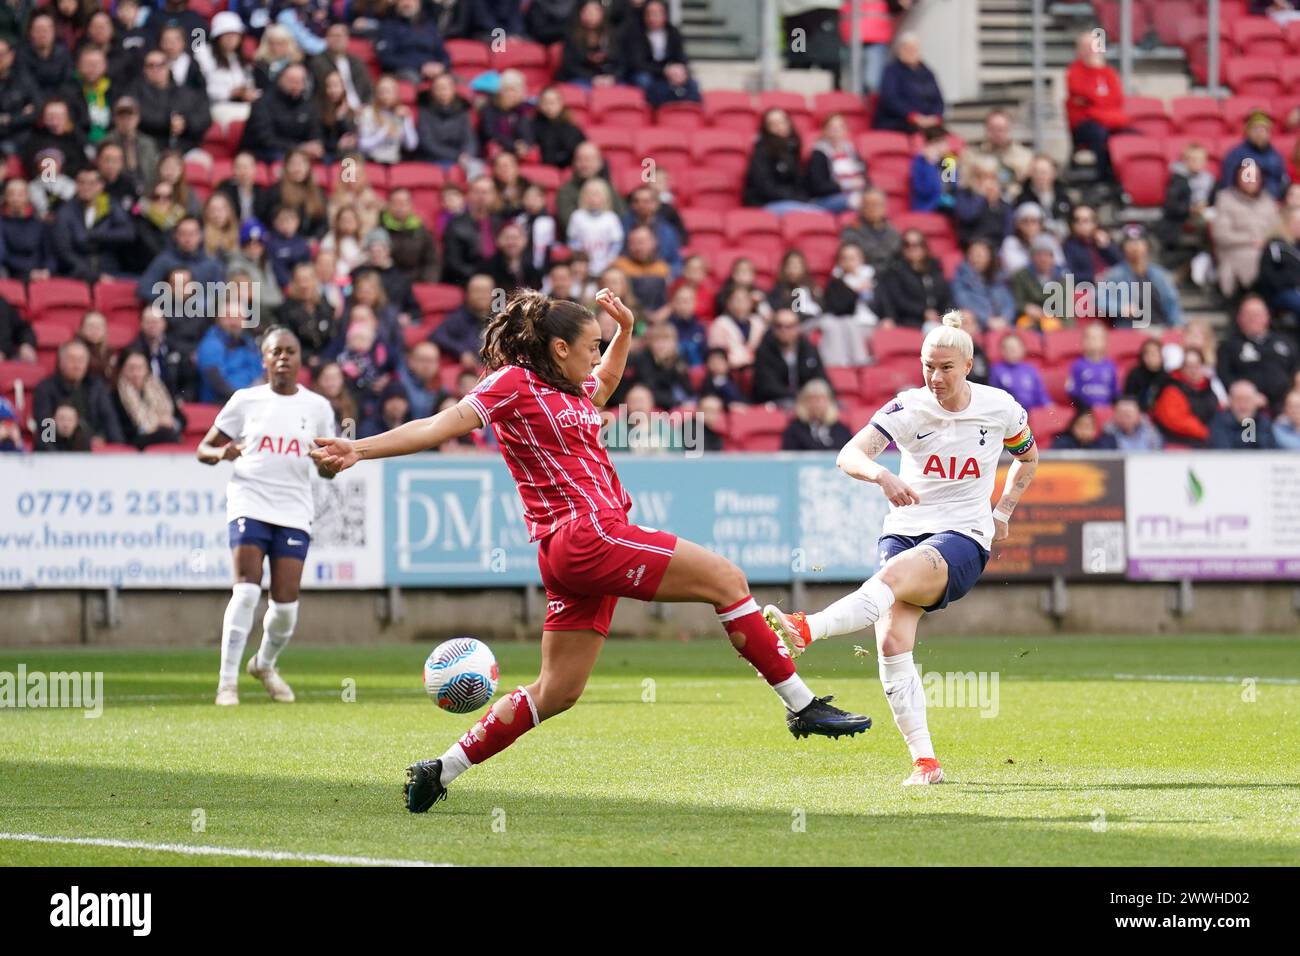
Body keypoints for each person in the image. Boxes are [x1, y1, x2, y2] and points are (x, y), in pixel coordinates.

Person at [311, 289, 872, 812]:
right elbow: (441, 423)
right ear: (559, 348)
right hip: (586, 534)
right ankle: (802, 706)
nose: (598, 355)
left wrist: (624, 330)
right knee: (727, 580)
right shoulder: (512, 384)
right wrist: (358, 448)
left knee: (557, 692)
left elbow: (605, 381)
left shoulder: (570, 392)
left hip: (571, 554)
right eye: (591, 346)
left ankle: (440, 770)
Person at [764, 310, 1039, 786]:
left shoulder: (1001, 408)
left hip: (963, 537)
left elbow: (1028, 457)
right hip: (905, 528)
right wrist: (882, 474)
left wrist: (1003, 513)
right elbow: (849, 453)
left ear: (969, 364)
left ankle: (808, 627)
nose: (935, 377)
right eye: (927, 365)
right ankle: (925, 762)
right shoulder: (907, 407)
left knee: (891, 581)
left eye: (946, 367)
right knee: (891, 642)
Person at [197, 327, 338, 706]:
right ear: (264, 358)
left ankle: (264, 663)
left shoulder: (318, 408)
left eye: (290, 351)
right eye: (276, 351)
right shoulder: (245, 400)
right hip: (249, 501)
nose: (283, 358)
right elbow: (203, 448)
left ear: (299, 359)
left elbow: (330, 468)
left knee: (286, 608)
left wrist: (324, 463)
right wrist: (220, 454)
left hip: (294, 509)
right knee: (245, 591)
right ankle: (227, 683)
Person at [33, 338, 125, 448]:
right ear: (60, 361)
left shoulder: (96, 386)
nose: (77, 365)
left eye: (81, 360)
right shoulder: (45, 388)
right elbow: (46, 431)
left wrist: (118, 448)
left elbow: (110, 420)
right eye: (71, 359)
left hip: (93, 450)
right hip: (59, 450)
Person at [1065, 31, 1130, 183]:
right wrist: (1100, 102)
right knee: (1100, 135)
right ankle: (1104, 179)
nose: (1090, 51)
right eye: (1086, 47)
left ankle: (1127, 177)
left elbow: (1116, 98)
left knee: (1134, 134)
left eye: (1093, 46)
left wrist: (1097, 103)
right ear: (1079, 50)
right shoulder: (1074, 72)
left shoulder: (1108, 72)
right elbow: (1082, 93)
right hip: (1085, 124)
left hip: (1108, 119)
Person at [1217, 295, 1298, 413]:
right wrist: (1248, 396)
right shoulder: (1229, 347)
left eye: (1257, 314)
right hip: (1248, 409)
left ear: (1267, 317)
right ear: (1239, 318)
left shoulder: (1286, 343)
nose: (1253, 318)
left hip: (1287, 406)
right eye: (1248, 315)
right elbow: (1225, 377)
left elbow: (1296, 371)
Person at [1212, 159, 1279, 299]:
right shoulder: (1225, 199)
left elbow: (1278, 231)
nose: (1250, 180)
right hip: (1235, 250)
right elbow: (1221, 234)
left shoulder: (1268, 200)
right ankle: (1248, 297)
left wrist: (1265, 241)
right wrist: (1251, 240)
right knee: (1253, 257)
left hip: (1267, 248)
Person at [622, 0, 699, 107]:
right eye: (649, 14)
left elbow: (681, 56)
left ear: (665, 15)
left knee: (693, 83)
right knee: (644, 80)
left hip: (670, 71)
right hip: (647, 72)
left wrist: (680, 70)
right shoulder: (636, 33)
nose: (653, 18)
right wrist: (664, 71)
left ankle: (688, 113)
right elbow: (637, 63)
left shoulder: (673, 32)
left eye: (657, 14)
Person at [743, 108, 819, 214]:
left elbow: (797, 182)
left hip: (789, 200)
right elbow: (765, 187)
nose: (779, 126)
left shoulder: (793, 147)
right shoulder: (761, 151)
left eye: (782, 121)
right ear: (766, 128)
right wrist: (794, 197)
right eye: (773, 124)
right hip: (765, 203)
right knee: (815, 214)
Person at [874, 229, 952, 329]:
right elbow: (899, 301)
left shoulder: (935, 268)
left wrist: (944, 316)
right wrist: (923, 312)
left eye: (916, 244)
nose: (911, 248)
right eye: (907, 244)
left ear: (924, 247)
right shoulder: (895, 270)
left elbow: (945, 297)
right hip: (910, 321)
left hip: (938, 319)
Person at [753, 309, 830, 406]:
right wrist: (800, 396)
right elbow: (768, 387)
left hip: (808, 401)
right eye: (779, 326)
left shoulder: (809, 350)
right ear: (773, 329)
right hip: (776, 401)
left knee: (837, 406)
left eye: (789, 326)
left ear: (798, 328)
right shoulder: (764, 352)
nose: (784, 330)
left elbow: (821, 378)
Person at [872, 31, 944, 133]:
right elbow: (889, 99)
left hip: (928, 121)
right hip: (898, 121)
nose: (911, 52)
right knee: (926, 134)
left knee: (946, 137)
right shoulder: (892, 71)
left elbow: (938, 100)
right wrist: (913, 116)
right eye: (907, 48)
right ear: (900, 51)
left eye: (914, 48)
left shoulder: (928, 73)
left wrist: (935, 117)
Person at [1149, 347, 1220, 446]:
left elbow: (1217, 413)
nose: (1193, 370)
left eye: (1196, 365)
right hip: (1180, 443)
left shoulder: (1208, 388)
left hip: (1207, 440)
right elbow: (1175, 420)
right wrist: (1205, 432)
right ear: (1181, 368)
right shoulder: (1172, 390)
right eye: (1188, 366)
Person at [196, 301, 264, 403]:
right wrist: (242, 399)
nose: (233, 323)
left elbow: (262, 373)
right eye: (228, 317)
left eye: (238, 317)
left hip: (254, 400)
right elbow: (216, 381)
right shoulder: (211, 344)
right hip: (222, 405)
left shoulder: (249, 343)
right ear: (218, 319)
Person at [114, 348, 182, 448]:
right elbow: (121, 429)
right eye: (131, 368)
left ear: (147, 369)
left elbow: (181, 419)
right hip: (136, 442)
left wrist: (172, 422)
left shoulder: (157, 387)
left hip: (166, 434)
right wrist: (153, 425)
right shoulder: (115, 394)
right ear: (122, 369)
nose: (136, 373)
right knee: (168, 435)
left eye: (140, 368)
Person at [1220, 110, 1290, 201]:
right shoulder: (1236, 154)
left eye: (1263, 130)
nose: (1259, 133)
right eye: (1255, 129)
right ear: (1247, 132)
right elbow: (1228, 183)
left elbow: (1282, 180)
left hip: (1273, 202)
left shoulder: (1276, 155)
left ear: (1269, 134)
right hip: (1244, 201)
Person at [806, 113, 869, 213]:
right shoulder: (818, 154)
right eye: (832, 128)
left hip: (855, 195)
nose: (836, 131)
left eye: (840, 127)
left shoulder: (851, 151)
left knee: (875, 197)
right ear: (824, 131)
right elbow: (818, 187)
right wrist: (846, 185)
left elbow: (864, 176)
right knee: (860, 201)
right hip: (826, 199)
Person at [951, 238, 1015, 331]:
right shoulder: (960, 277)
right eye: (973, 254)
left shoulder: (999, 277)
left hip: (1001, 324)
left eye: (981, 254)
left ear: (990, 257)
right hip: (976, 323)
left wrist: (1005, 319)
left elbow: (1008, 303)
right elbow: (963, 301)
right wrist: (987, 320)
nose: (976, 258)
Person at [780, 378, 851, 450]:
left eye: (822, 399)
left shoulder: (841, 430)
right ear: (803, 403)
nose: (817, 405)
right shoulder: (794, 430)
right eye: (812, 399)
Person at [1209, 379, 1277, 450]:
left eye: (1247, 400)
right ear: (1230, 401)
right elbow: (1223, 453)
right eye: (1238, 399)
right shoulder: (1219, 423)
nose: (1243, 405)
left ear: (1256, 401)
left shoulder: (1263, 423)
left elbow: (1268, 452)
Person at [989, 332, 1050, 410]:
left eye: (1016, 347)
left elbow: (1041, 394)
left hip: (1033, 413)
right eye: (1009, 348)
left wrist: (1049, 405)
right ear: (1002, 351)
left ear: (1023, 349)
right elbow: (994, 397)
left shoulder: (1030, 369)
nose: (1013, 350)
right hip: (1009, 413)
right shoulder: (996, 370)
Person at [1066, 323, 1120, 407]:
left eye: (1097, 338)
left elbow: (1115, 393)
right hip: (1085, 412)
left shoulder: (1111, 366)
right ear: (1082, 342)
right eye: (1089, 338)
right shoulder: (1077, 366)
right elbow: (1072, 392)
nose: (1093, 341)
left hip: (1106, 412)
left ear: (1106, 342)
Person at [1050, 406, 1117, 450]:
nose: (1084, 430)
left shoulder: (1104, 443)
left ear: (1095, 428)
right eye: (1080, 426)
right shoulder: (1062, 442)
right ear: (1072, 427)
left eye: (1088, 426)